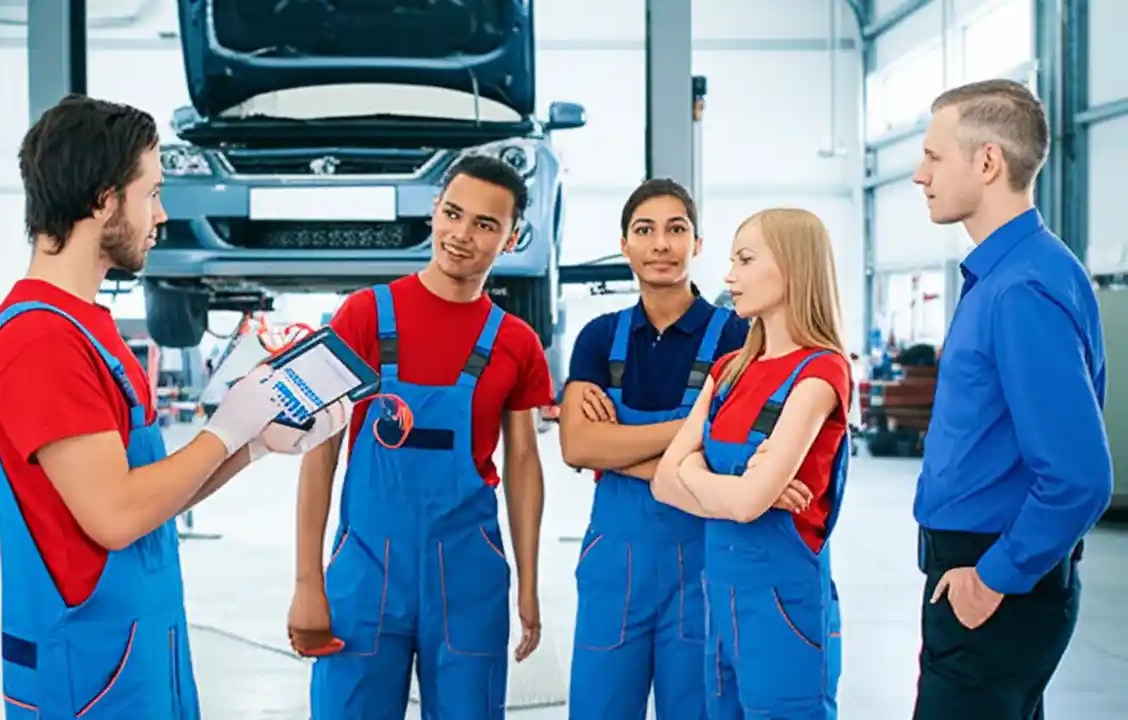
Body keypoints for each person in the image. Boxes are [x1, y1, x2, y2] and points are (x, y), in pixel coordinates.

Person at [0, 94, 347, 719]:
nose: (163, 214)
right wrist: (227, 428)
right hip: (89, 676)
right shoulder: (40, 341)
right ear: (103, 200)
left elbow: (148, 496)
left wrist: (253, 442)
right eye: (151, 193)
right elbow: (116, 515)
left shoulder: (87, 329)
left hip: (136, 655)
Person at [286, 154, 554, 719]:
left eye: (486, 224)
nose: (462, 235)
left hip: (469, 579)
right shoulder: (360, 317)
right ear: (434, 212)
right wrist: (308, 581)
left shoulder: (517, 343)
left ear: (511, 239)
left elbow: (524, 463)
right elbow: (320, 452)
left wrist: (528, 584)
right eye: (453, 214)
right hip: (363, 573)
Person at [909, 79, 1111, 719]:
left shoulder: (1021, 289)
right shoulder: (1018, 273)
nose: (920, 175)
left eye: (935, 157)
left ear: (988, 161)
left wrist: (996, 577)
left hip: (991, 577)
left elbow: (1079, 477)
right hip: (987, 571)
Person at [557, 178, 749, 719]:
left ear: (698, 243)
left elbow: (728, 451)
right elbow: (578, 444)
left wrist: (618, 448)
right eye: (645, 230)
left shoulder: (736, 337)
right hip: (613, 567)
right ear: (625, 245)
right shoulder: (599, 338)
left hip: (703, 567)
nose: (661, 244)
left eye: (676, 229)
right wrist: (692, 432)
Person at [652, 207, 853, 720]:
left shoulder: (820, 373)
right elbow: (663, 482)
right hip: (721, 603)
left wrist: (700, 476)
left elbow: (740, 503)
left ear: (792, 267)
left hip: (784, 612)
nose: (728, 277)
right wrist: (741, 485)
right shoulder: (729, 370)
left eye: (745, 260)